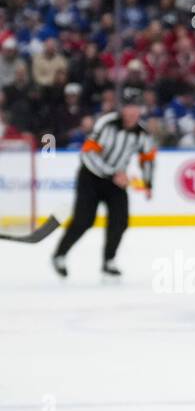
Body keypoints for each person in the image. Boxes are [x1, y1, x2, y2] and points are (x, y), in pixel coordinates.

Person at [51, 87, 154, 278]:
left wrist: (148, 183)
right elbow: (88, 153)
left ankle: (109, 261)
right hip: (90, 177)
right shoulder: (106, 123)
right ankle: (60, 255)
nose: (132, 112)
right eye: (129, 107)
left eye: (136, 107)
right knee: (83, 221)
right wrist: (113, 173)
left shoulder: (142, 133)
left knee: (120, 221)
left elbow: (147, 158)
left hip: (115, 182)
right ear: (122, 109)